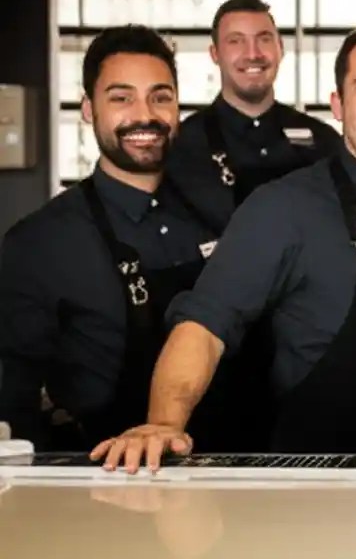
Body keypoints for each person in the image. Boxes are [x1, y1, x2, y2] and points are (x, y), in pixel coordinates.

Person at [90, 23, 356, 473]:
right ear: (338, 106)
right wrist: (162, 424)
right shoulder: (284, 207)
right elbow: (204, 328)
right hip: (311, 497)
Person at [0, 25, 225, 451]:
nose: (144, 115)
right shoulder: (39, 242)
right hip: (102, 479)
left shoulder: (222, 217)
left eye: (160, 97)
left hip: (233, 466)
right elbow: (16, 395)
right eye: (121, 98)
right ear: (88, 109)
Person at [168, 0, 342, 231]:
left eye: (264, 39)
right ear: (214, 54)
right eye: (236, 41)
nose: (253, 53)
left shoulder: (324, 141)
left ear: (280, 48)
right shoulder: (182, 144)